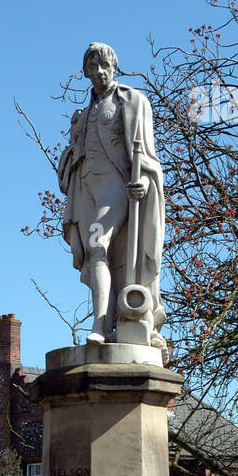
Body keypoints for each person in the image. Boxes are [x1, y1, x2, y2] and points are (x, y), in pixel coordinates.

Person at [58, 42, 166, 348]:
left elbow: (146, 154)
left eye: (104, 66)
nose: (99, 72)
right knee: (95, 254)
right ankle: (111, 323)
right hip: (86, 189)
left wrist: (145, 180)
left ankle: (100, 323)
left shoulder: (130, 101)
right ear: (86, 71)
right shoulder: (82, 113)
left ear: (114, 67)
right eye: (93, 67)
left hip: (116, 187)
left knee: (97, 243)